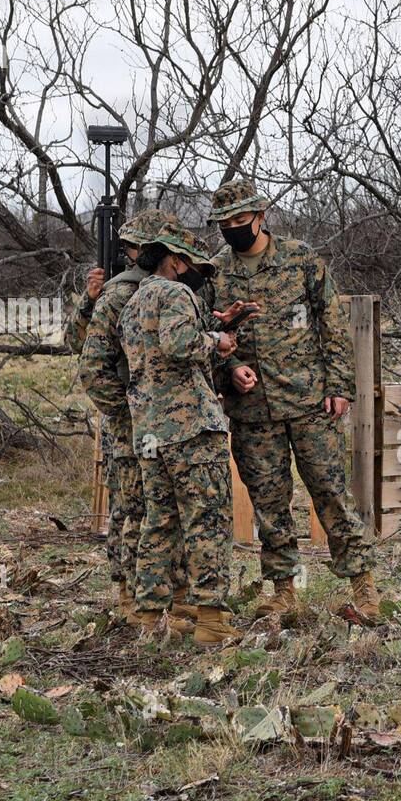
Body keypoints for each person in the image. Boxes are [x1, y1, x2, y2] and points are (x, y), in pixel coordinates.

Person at [206, 179, 380, 622]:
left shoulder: (300, 258)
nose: (232, 229)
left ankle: (363, 585)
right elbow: (210, 337)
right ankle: (282, 591)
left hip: (309, 401)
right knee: (269, 501)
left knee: (330, 493)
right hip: (253, 411)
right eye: (224, 224)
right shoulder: (215, 273)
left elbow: (332, 324)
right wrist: (229, 369)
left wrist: (340, 386)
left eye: (240, 221)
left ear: (261, 217)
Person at [118, 223, 245, 645]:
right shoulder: (176, 293)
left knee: (160, 521)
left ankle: (149, 616)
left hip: (150, 431)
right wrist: (218, 340)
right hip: (190, 427)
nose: (196, 274)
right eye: (192, 264)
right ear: (175, 260)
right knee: (207, 520)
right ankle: (211, 621)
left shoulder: (132, 303)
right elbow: (178, 343)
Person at [78, 210, 192, 629]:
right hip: (130, 423)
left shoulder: (167, 292)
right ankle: (129, 595)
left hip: (166, 421)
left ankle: (176, 596)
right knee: (132, 509)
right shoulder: (118, 295)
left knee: (168, 509)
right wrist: (128, 412)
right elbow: (90, 365)